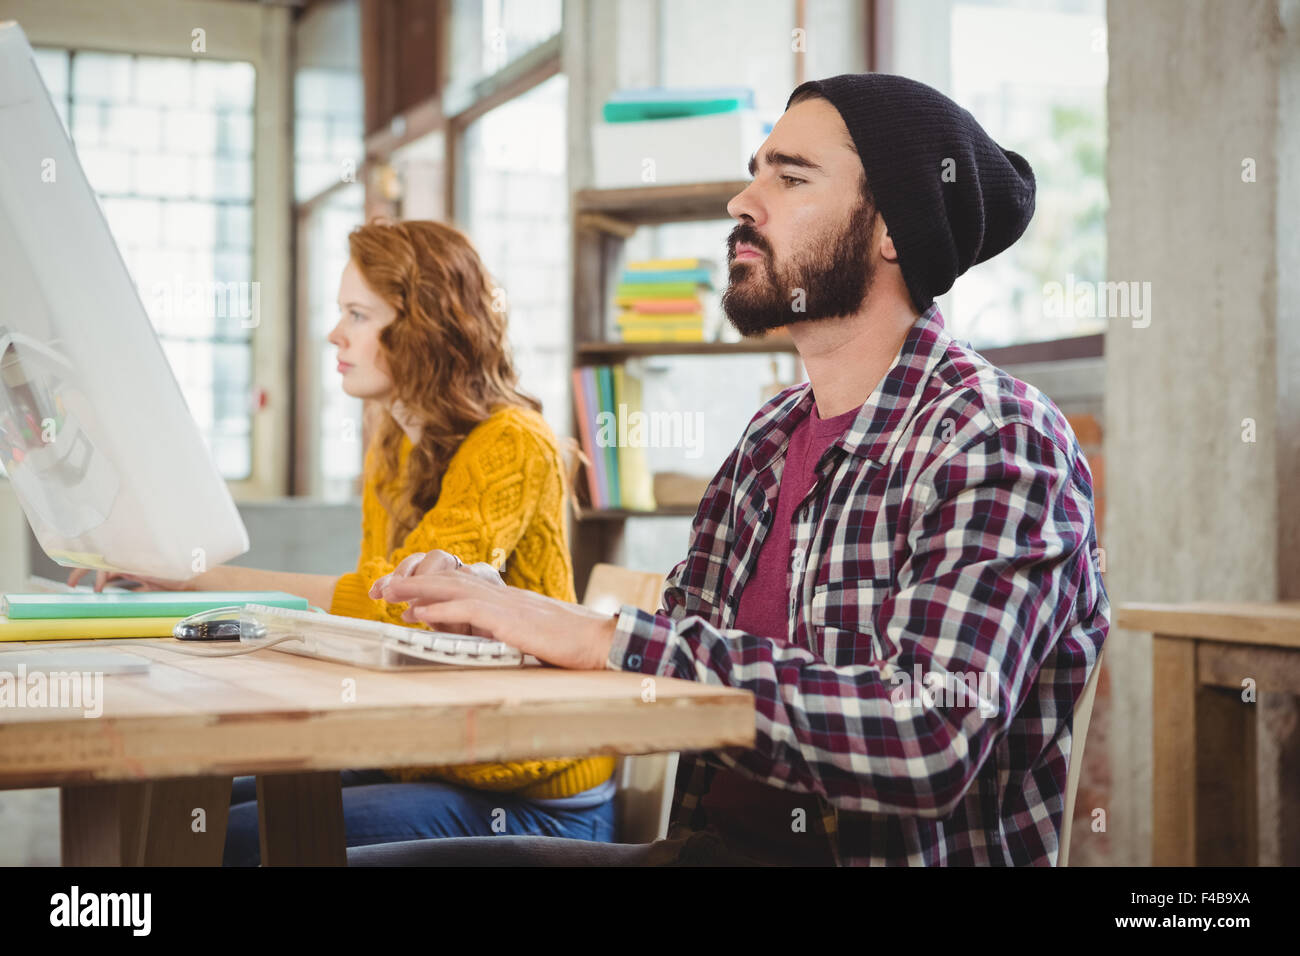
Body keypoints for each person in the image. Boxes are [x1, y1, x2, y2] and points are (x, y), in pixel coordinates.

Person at [348, 73, 1111, 867]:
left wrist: (602, 638)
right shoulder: (772, 438)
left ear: (891, 228)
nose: (742, 202)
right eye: (755, 171)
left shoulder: (996, 439)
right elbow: (676, 651)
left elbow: (925, 739)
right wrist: (492, 618)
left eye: (789, 176)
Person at [70, 220, 617, 863]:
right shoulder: (391, 439)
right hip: (429, 760)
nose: (335, 334)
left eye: (358, 314)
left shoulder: (514, 442)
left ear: (426, 326)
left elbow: (398, 602)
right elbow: (373, 618)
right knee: (180, 811)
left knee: (226, 840)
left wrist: (196, 575)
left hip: (535, 796)